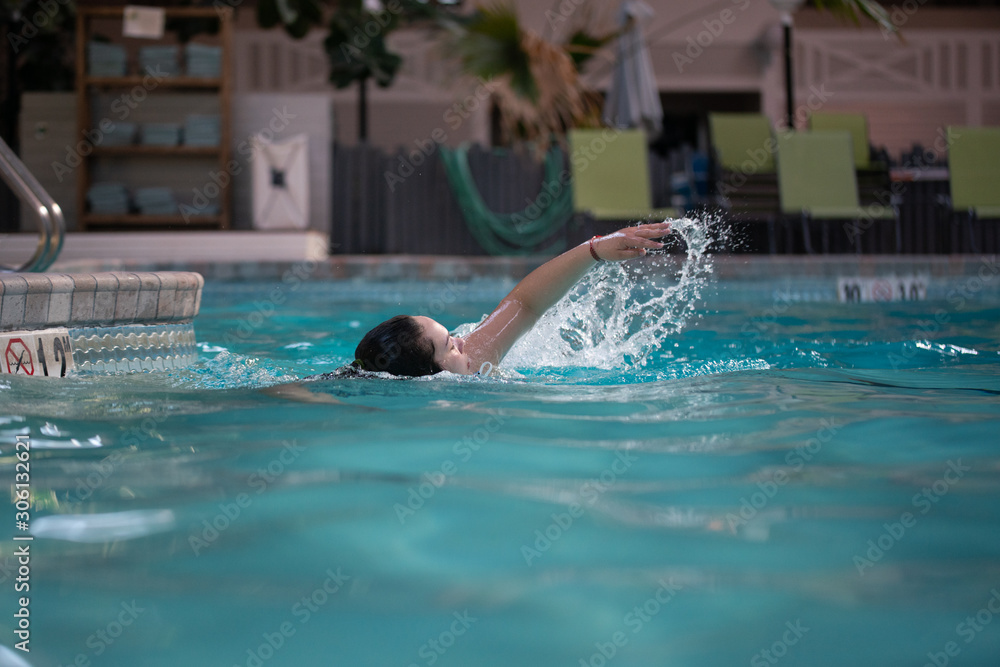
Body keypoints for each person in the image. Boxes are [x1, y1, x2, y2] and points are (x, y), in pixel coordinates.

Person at [352, 221, 672, 377]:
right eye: (450, 345)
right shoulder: (457, 379)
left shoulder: (469, 365)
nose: (464, 341)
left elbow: (523, 304)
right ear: (433, 375)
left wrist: (595, 250)